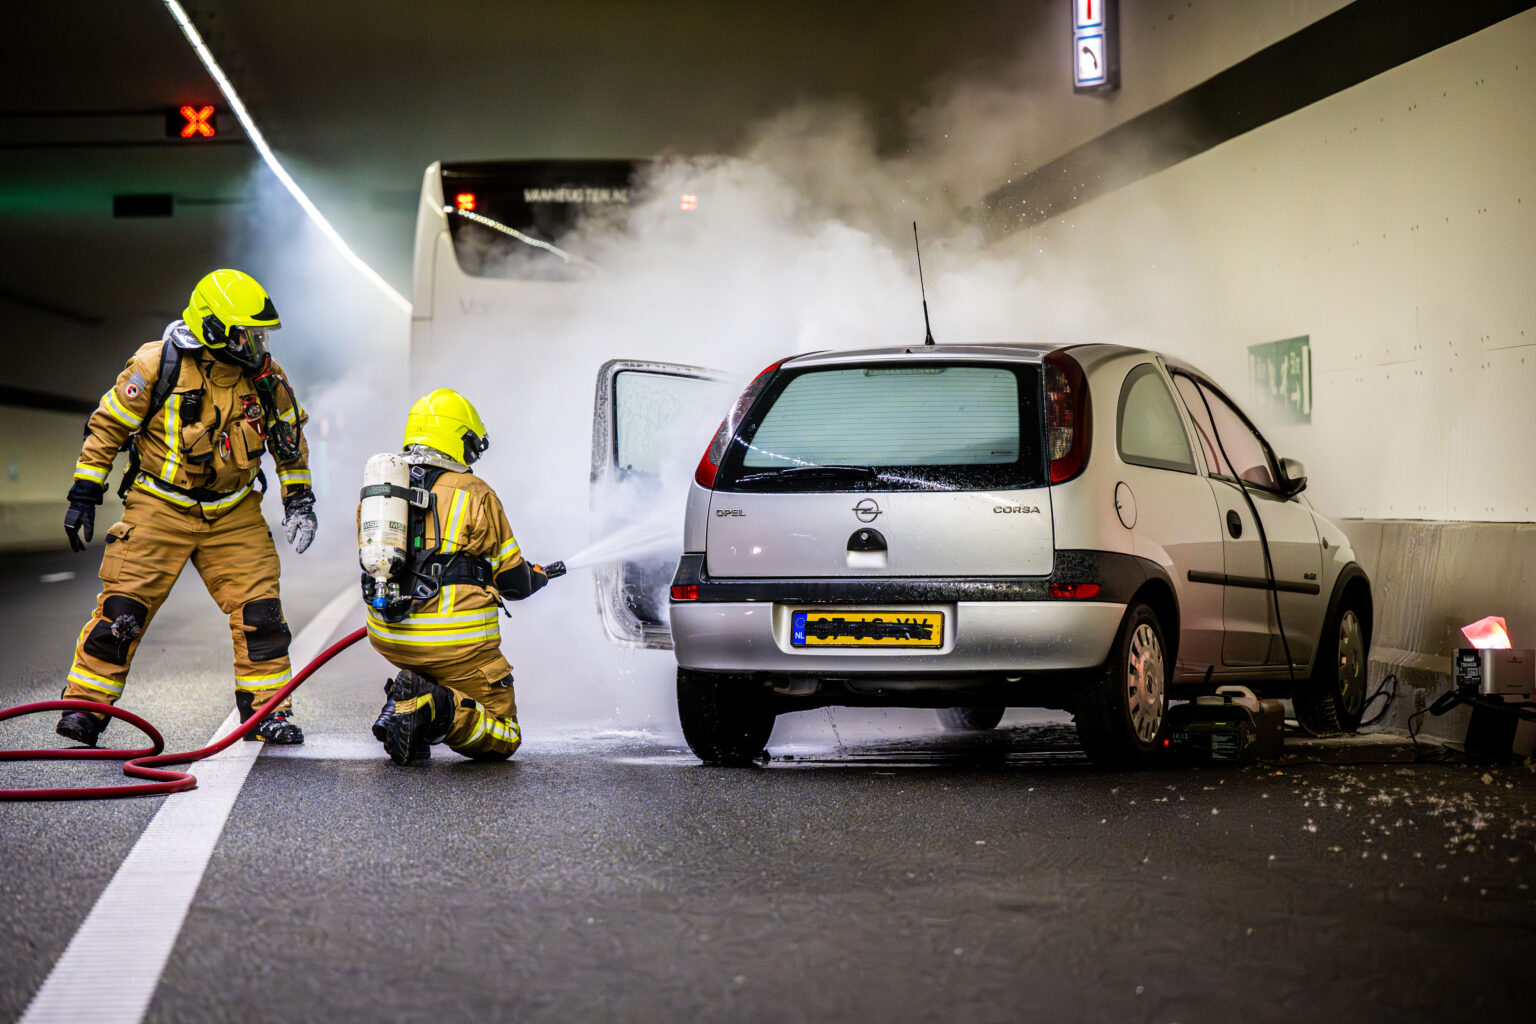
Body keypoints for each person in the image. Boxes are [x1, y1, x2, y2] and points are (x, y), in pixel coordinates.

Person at [58, 268, 318, 746]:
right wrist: (84, 493)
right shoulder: (157, 364)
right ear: (213, 328)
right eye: (246, 334)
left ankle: (268, 711)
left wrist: (299, 499)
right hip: (160, 506)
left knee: (261, 614)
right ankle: (84, 708)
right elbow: (108, 427)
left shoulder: (267, 378)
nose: (256, 345)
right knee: (122, 612)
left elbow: (288, 439)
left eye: (259, 335)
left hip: (234, 512)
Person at [361, 388, 559, 766]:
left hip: (389, 635)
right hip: (452, 643)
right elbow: (513, 582)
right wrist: (535, 578)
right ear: (456, 438)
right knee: (504, 733)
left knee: (430, 668)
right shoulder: (475, 493)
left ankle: (411, 706)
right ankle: (434, 708)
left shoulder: (383, 494)